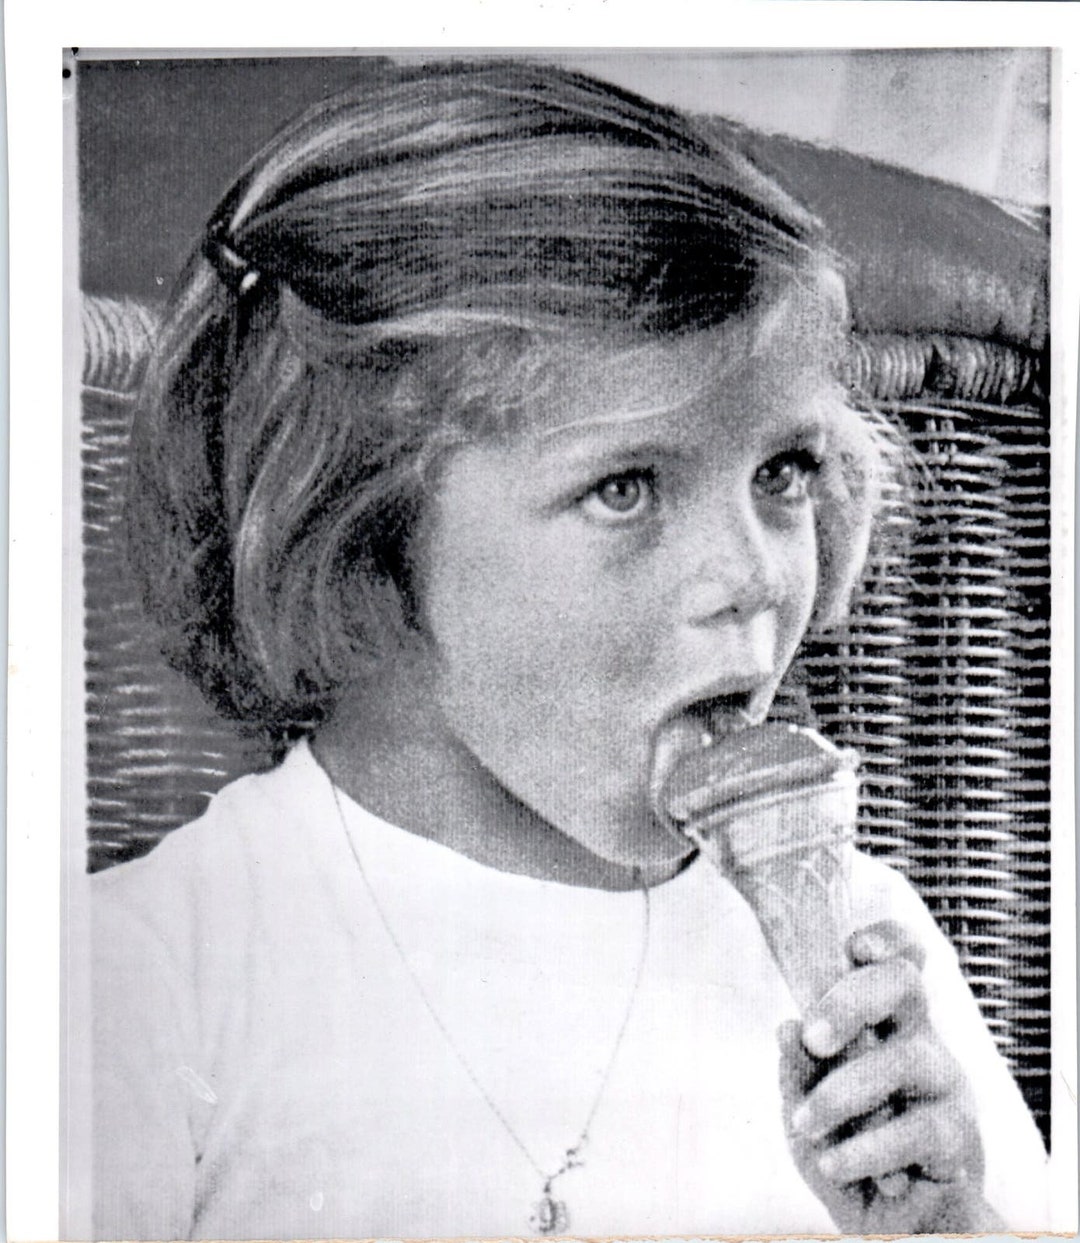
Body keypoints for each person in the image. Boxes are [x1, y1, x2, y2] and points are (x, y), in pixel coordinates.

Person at [92, 59, 1048, 1240]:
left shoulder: (871, 949)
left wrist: (959, 1225)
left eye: (784, 472)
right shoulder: (142, 983)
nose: (756, 573)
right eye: (628, 487)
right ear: (360, 537)